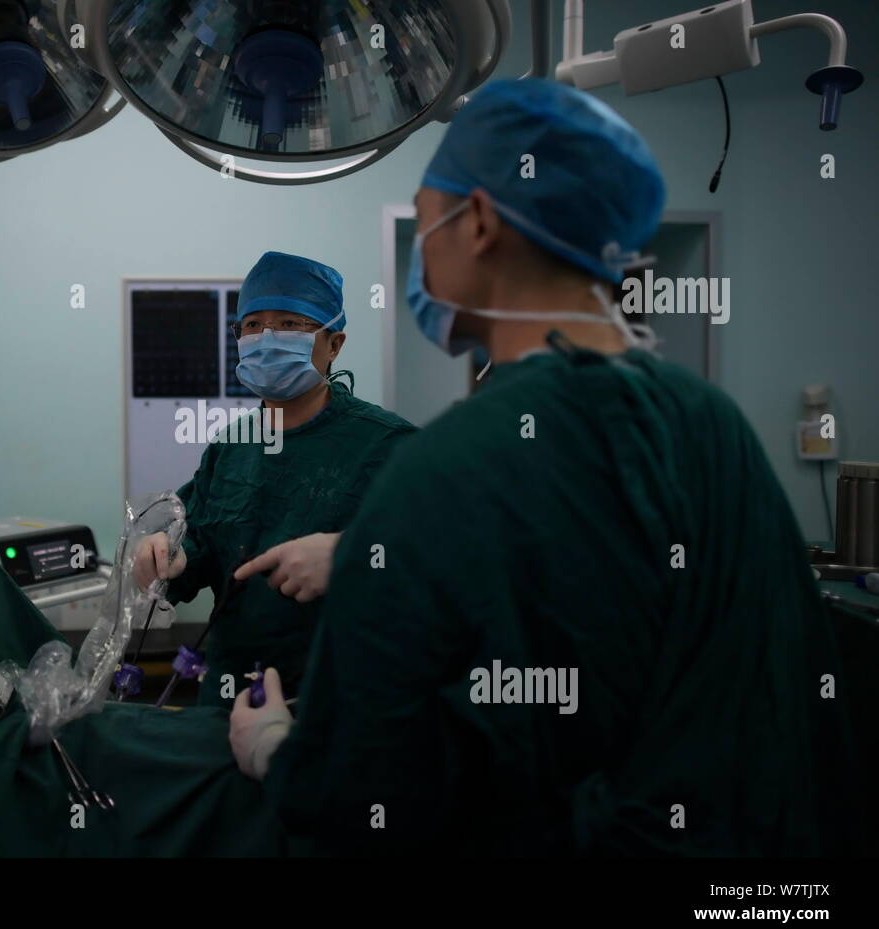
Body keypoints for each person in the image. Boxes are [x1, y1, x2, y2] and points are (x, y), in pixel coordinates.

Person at [229, 79, 857, 855]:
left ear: (482, 222)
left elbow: (361, 796)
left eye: (427, 222)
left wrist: (273, 745)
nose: (422, 254)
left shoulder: (449, 464)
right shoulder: (710, 421)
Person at [133, 251, 416, 707]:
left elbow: (445, 559)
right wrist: (171, 556)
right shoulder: (231, 446)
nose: (266, 337)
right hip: (232, 688)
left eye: (290, 324)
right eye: (252, 325)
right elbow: (201, 538)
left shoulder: (388, 445)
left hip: (342, 697)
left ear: (335, 344)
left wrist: (351, 556)